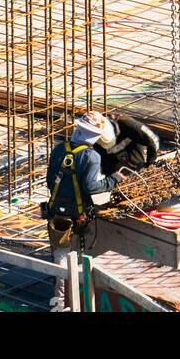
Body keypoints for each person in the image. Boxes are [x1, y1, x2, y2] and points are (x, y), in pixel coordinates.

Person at [44, 110, 123, 303]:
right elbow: (91, 187)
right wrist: (114, 179)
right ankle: (77, 298)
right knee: (81, 255)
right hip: (78, 215)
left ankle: (61, 301)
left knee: (61, 257)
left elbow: (49, 181)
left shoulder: (59, 149)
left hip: (56, 213)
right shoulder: (91, 157)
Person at [95, 112, 160, 175]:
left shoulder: (129, 124)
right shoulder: (94, 140)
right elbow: (104, 162)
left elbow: (151, 142)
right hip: (117, 160)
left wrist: (149, 164)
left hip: (137, 152)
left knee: (139, 164)